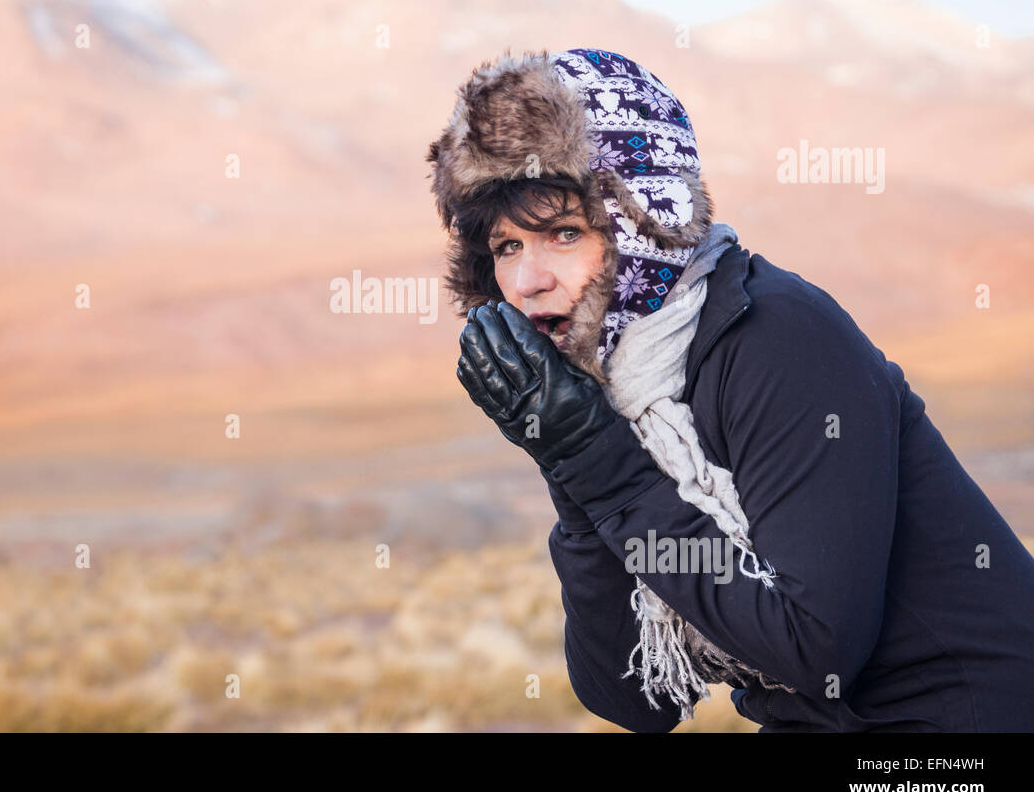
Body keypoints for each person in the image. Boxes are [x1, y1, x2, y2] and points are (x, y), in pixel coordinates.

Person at [424, 46, 1034, 732]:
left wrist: (602, 467)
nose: (529, 279)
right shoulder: (626, 389)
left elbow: (815, 648)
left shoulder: (778, 336)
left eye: (565, 233)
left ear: (645, 225)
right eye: (506, 248)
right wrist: (569, 460)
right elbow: (633, 701)